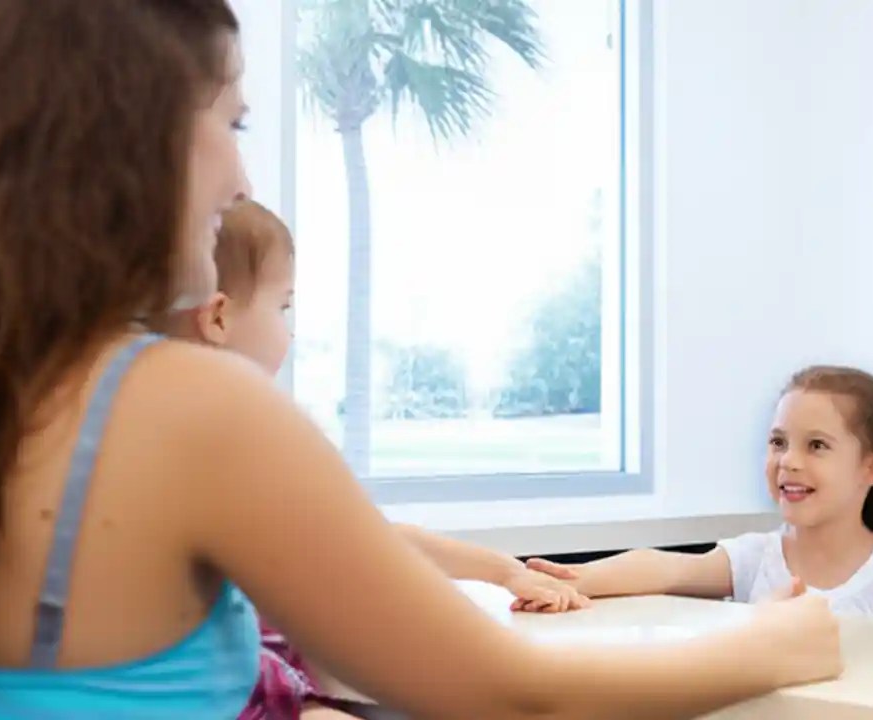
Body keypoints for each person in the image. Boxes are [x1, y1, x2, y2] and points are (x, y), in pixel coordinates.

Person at [0, 1, 842, 718]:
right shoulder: (187, 407)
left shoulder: (16, 395)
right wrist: (772, 644)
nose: (242, 178)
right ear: (122, 141)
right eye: (230, 121)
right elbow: (512, 696)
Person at [159, 198, 590, 720]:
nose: (290, 331)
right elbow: (381, 545)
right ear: (219, 317)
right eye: (283, 307)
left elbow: (366, 542)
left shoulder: (165, 439)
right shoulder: (235, 449)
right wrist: (503, 575)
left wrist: (503, 572)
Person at [529, 366, 873, 620]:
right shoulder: (756, 557)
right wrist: (570, 581)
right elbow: (664, 568)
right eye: (778, 442)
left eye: (816, 445)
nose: (789, 461)